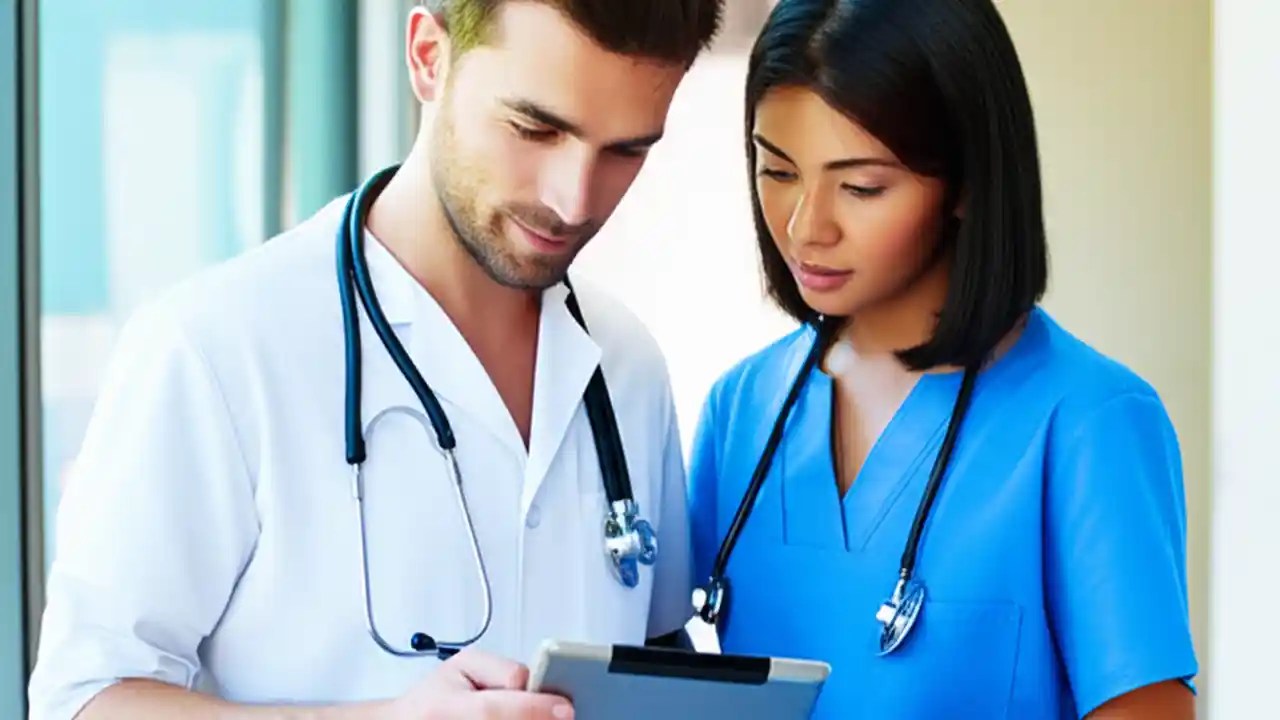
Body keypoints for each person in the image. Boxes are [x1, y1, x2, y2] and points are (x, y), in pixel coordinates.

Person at [28, 1, 723, 718]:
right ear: (428, 56)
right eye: (534, 128)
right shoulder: (214, 350)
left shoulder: (627, 368)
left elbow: (651, 669)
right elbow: (82, 701)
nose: (572, 198)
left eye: (625, 151)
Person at [686, 0, 1199, 718]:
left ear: (965, 182)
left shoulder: (1088, 422)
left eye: (861, 186)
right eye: (777, 171)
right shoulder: (741, 410)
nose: (806, 227)